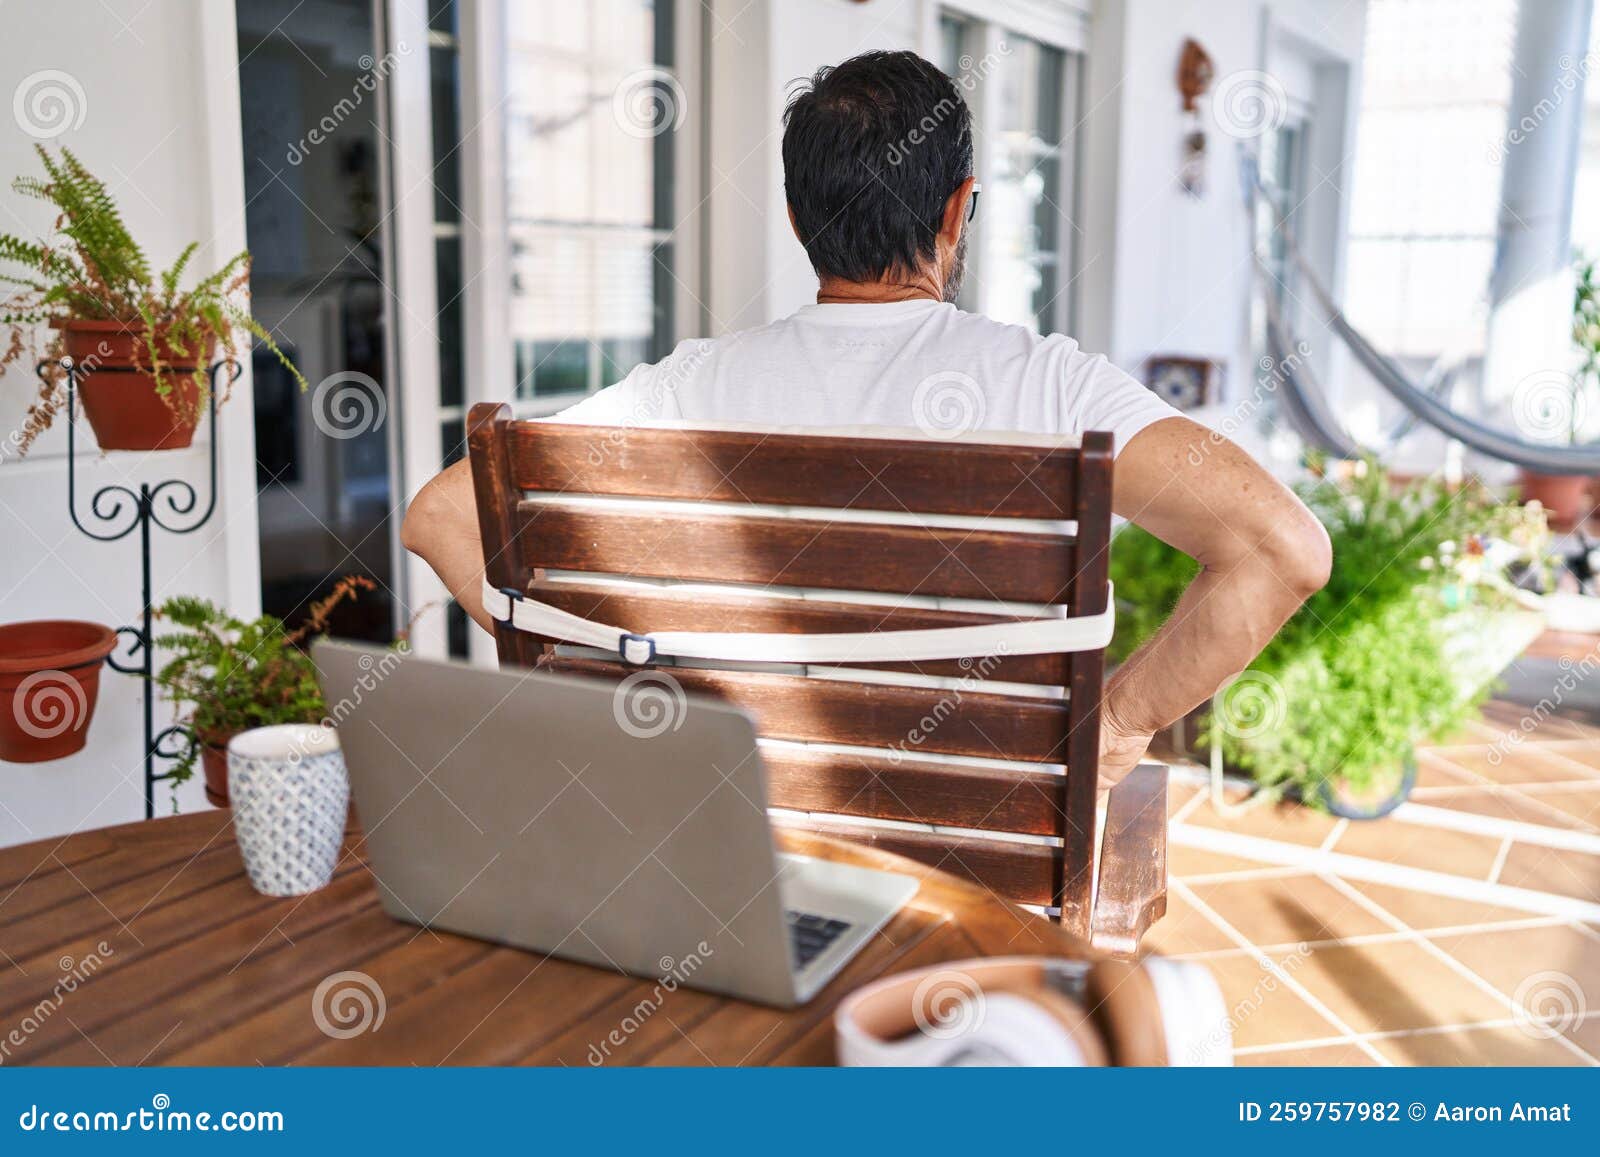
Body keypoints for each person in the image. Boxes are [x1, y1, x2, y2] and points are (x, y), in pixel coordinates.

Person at [401, 50, 1330, 784]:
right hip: (986, 860)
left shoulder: (685, 389)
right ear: (960, 211)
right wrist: (1121, 725)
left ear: (800, 220)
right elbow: (1284, 548)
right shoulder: (1053, 389)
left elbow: (439, 514)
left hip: (747, 847)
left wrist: (605, 671)